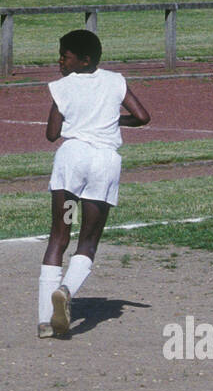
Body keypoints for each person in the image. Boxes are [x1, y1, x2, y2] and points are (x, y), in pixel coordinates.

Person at [39, 29, 150, 338]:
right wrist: (113, 122)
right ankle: (66, 289)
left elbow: (51, 134)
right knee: (88, 240)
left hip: (72, 160)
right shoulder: (116, 80)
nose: (60, 61)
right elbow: (142, 116)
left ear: (82, 60)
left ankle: (45, 320)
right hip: (104, 162)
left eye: (65, 56)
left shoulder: (62, 87)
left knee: (59, 237)